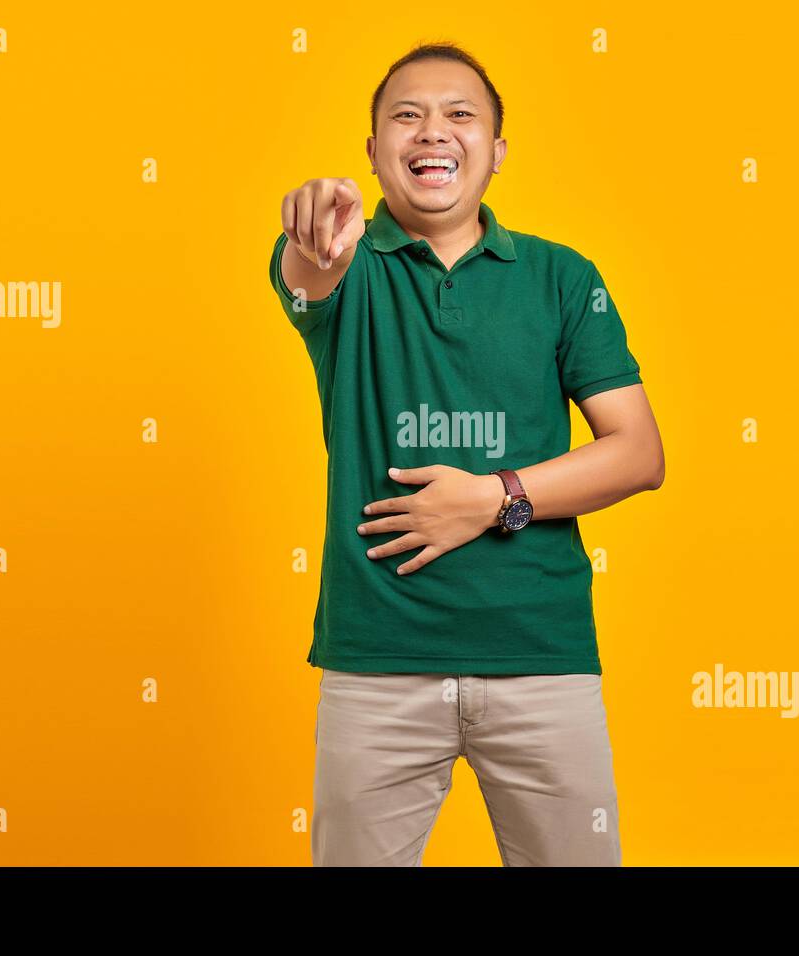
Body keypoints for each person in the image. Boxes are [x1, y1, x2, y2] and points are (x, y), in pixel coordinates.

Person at [268, 42, 665, 866]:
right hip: (377, 667)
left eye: (459, 115)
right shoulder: (350, 269)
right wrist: (314, 228)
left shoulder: (562, 278)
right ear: (374, 152)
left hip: (540, 661)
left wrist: (494, 496)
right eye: (404, 117)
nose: (431, 132)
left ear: (495, 151)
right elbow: (307, 270)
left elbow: (637, 453)